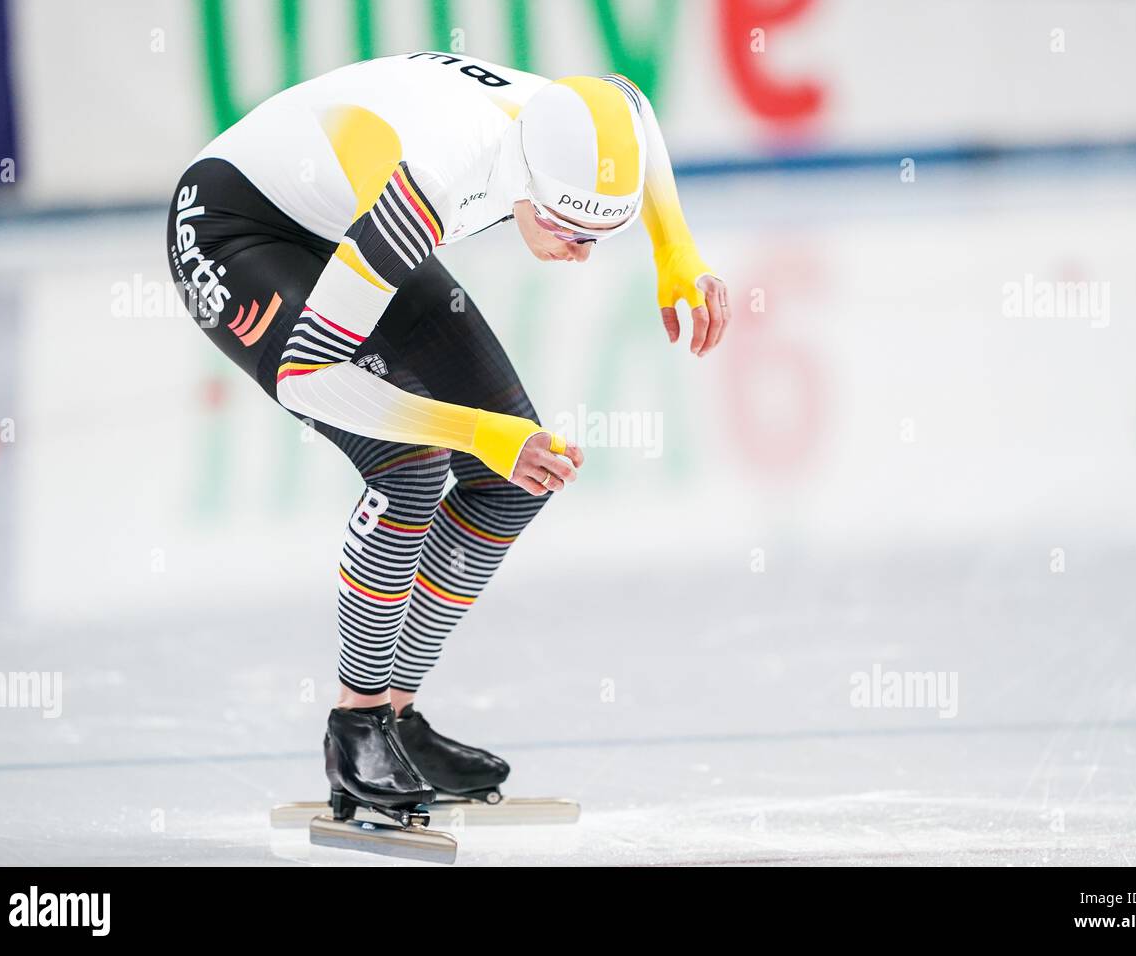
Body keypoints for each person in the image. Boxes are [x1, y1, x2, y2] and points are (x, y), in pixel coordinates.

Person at [167, 50, 729, 818]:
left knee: (509, 480)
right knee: (412, 468)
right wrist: (477, 431)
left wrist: (675, 252)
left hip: (346, 216)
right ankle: (355, 727)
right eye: (567, 227)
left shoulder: (567, 115)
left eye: (603, 234)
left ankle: (396, 718)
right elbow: (310, 377)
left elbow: (632, 99)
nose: (580, 251)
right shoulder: (428, 181)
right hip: (240, 227)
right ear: (527, 181)